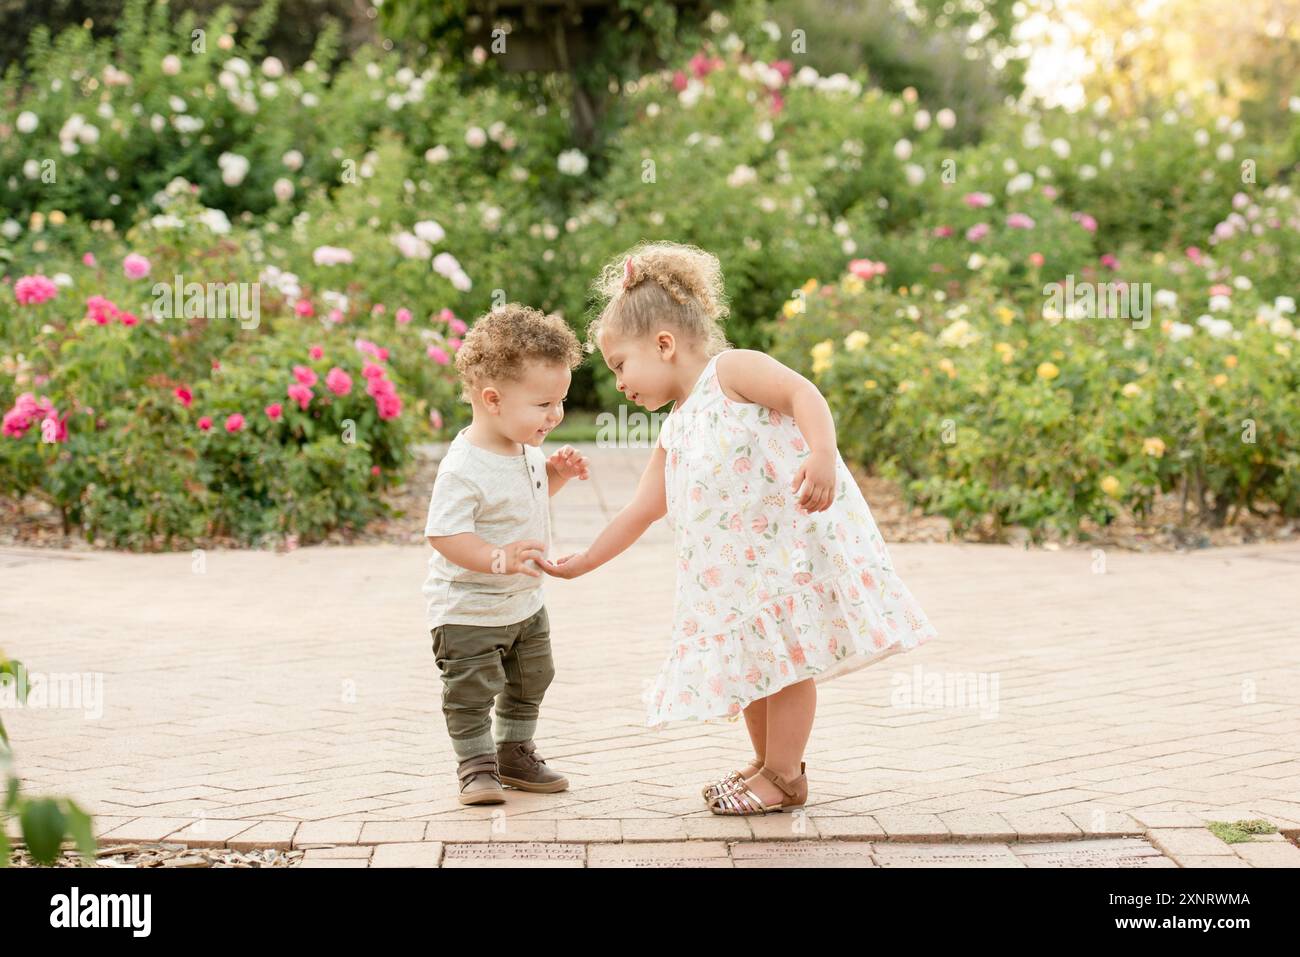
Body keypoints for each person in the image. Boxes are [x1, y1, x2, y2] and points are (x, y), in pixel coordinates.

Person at [540, 242, 939, 816]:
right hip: (735, 585)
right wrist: (583, 561)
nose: (618, 384)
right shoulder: (676, 429)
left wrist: (822, 454)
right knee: (754, 668)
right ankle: (769, 763)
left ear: (664, 344)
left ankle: (784, 773)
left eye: (620, 365)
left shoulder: (732, 372)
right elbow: (639, 510)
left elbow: (804, 393)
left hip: (785, 563)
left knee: (788, 663)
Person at [424, 303, 589, 805]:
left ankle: (515, 752)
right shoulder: (463, 468)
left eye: (560, 401)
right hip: (468, 611)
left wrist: (555, 476)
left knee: (532, 676)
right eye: (543, 405)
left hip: (524, 604)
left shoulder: (525, 450)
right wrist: (498, 558)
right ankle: (475, 765)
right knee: (472, 689)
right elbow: (445, 535)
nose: (556, 415)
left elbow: (523, 503)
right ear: (492, 399)